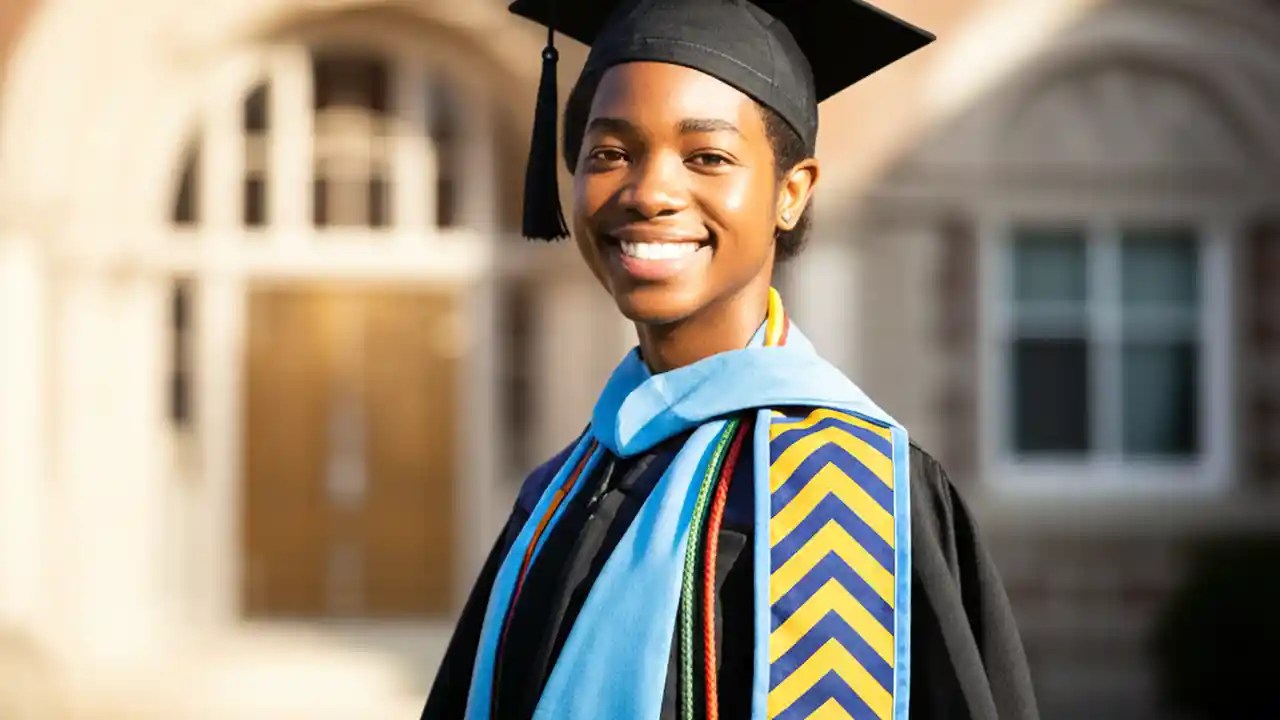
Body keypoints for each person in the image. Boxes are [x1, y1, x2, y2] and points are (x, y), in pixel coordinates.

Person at [423, 0, 1039, 718]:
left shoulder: (857, 489)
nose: (649, 192)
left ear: (791, 192)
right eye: (609, 154)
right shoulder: (556, 495)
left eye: (707, 157)